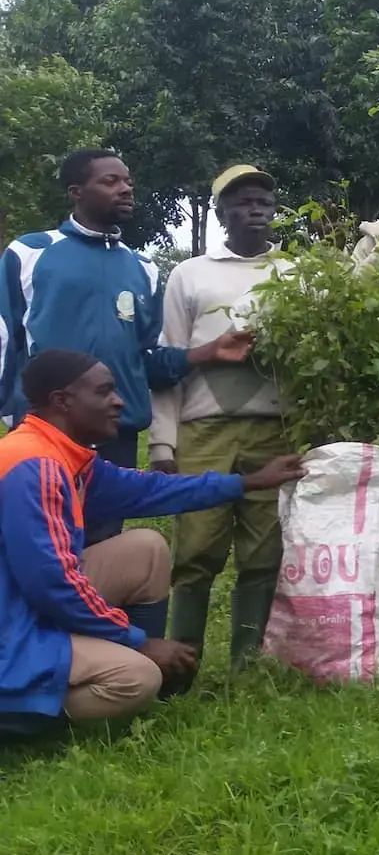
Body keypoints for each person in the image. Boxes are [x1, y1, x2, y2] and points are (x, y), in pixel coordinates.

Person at [0, 350, 304, 724]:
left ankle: (127, 668)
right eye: (104, 392)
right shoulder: (35, 466)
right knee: (135, 678)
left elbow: (151, 491)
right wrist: (138, 641)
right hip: (10, 624)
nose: (119, 401)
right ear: (61, 401)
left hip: (19, 601)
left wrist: (249, 481)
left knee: (146, 549)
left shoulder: (59, 454)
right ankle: (17, 716)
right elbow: (52, 584)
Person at [1, 150, 254, 586]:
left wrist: (208, 352)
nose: (125, 189)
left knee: (102, 547)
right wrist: (14, 414)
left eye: (127, 181)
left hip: (114, 432)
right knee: (42, 546)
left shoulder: (142, 268)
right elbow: (5, 339)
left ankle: (99, 641)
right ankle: (37, 643)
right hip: (44, 432)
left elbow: (149, 359)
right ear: (76, 192)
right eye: (111, 181)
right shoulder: (31, 252)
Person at [147, 165, 289, 670]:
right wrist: (163, 444)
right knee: (196, 549)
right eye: (243, 201)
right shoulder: (191, 274)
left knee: (265, 550)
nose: (255, 208)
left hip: (273, 430)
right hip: (203, 430)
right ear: (222, 212)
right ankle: (181, 663)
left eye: (264, 201)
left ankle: (246, 666)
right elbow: (169, 360)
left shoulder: (294, 273)